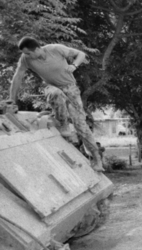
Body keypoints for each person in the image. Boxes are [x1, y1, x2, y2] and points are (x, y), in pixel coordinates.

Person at [9, 36, 104, 171]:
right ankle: (64, 124)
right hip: (51, 87)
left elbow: (81, 54)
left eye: (28, 53)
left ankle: (96, 158)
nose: (25, 56)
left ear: (37, 49)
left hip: (70, 88)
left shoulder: (55, 49)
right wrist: (12, 100)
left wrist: (74, 65)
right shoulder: (26, 59)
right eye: (24, 53)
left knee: (80, 125)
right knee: (55, 93)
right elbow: (17, 77)